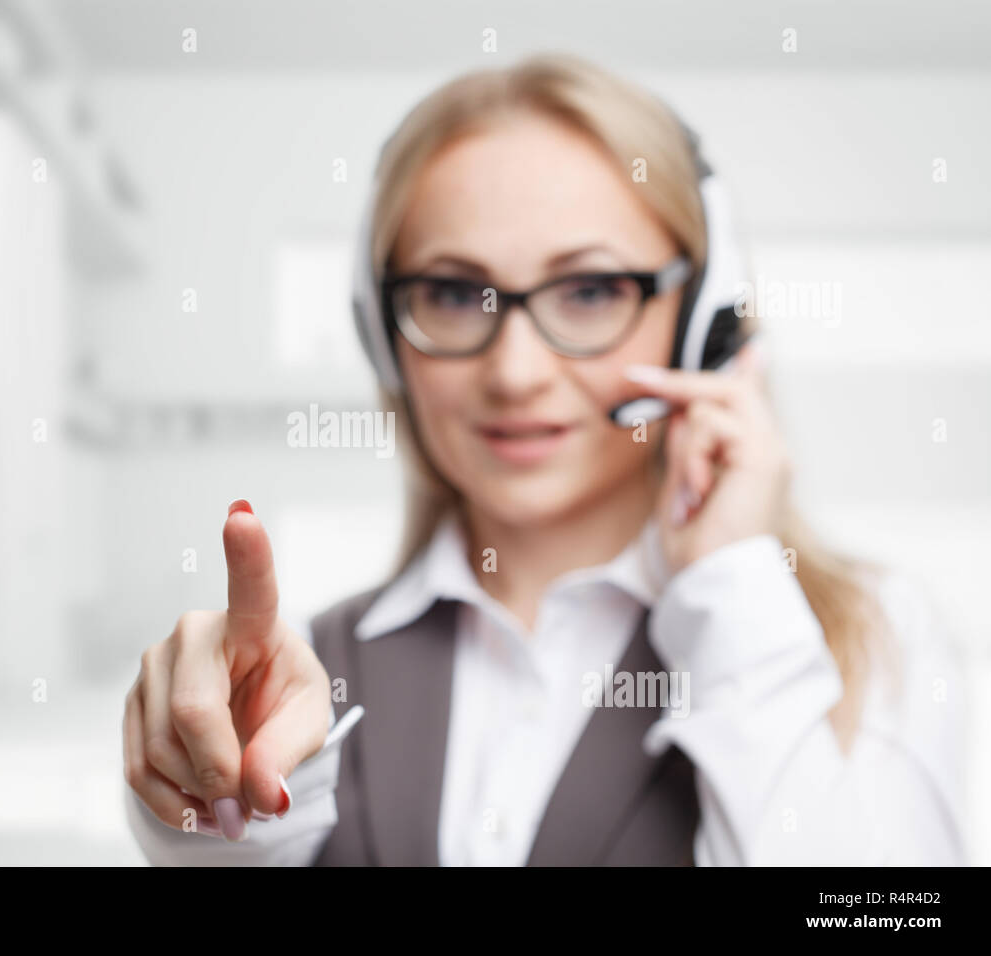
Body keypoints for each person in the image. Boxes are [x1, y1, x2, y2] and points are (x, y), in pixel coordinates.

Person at [122, 53, 967, 865]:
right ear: (385, 337)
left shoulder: (870, 638)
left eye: (591, 289)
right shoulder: (304, 674)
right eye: (452, 294)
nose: (516, 373)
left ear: (703, 322)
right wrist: (209, 791)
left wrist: (735, 592)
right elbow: (233, 844)